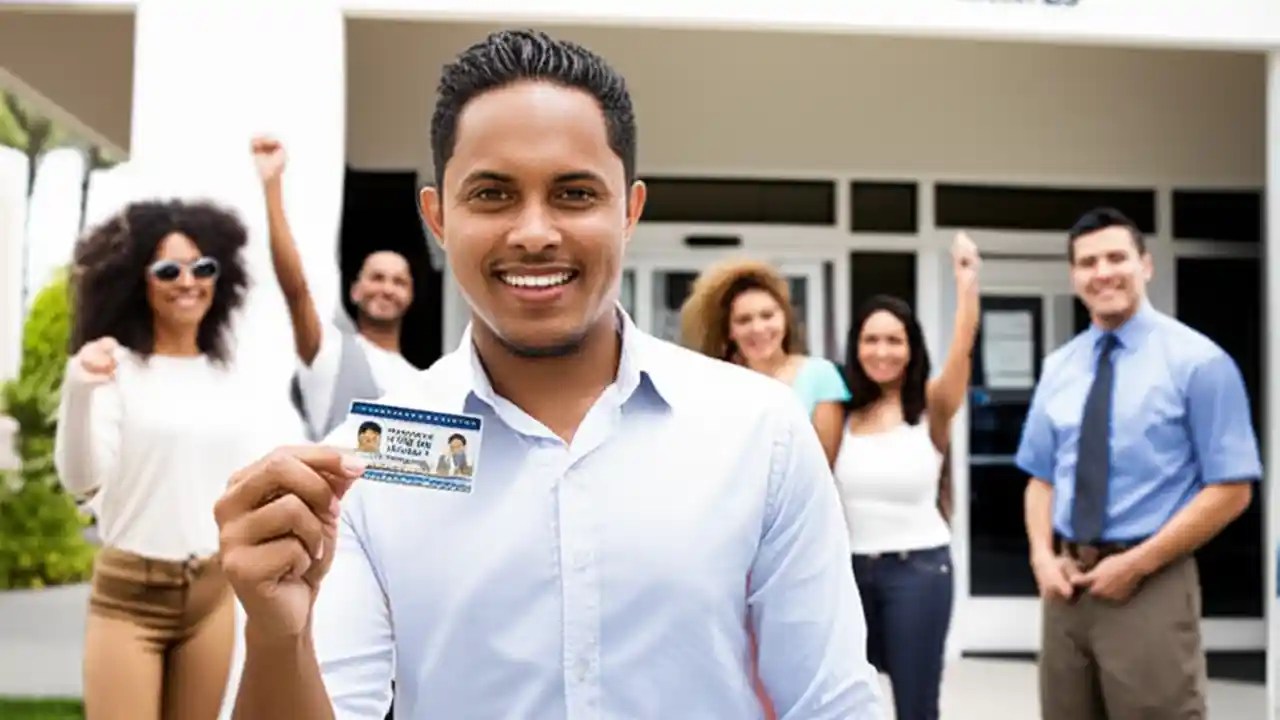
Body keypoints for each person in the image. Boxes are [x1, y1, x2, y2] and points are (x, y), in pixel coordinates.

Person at [213, 28, 885, 719]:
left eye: (573, 193)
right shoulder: (370, 458)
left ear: (629, 211)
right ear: (438, 217)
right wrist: (274, 636)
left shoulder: (760, 431)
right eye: (493, 194)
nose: (534, 231)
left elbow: (831, 701)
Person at [53, 200, 304, 720]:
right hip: (130, 595)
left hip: (209, 594)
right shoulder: (113, 368)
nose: (188, 281)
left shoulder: (228, 377)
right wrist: (79, 389)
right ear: (138, 281)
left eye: (202, 267)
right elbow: (80, 480)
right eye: (168, 269)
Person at [1017, 207, 1260, 719]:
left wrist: (1137, 564)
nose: (1102, 272)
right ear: (1074, 276)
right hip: (1067, 589)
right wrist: (1042, 556)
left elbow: (1232, 489)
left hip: (1151, 584)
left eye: (1115, 257)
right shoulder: (1059, 367)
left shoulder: (1198, 363)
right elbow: (1041, 477)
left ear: (1145, 265)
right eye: (1088, 262)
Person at [832, 231, 980, 720]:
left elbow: (962, 350)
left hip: (917, 571)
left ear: (912, 347)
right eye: (871, 339)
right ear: (856, 346)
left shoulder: (931, 406)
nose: (882, 350)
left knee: (917, 706)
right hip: (848, 573)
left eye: (894, 340)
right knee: (848, 701)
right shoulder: (843, 412)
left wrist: (967, 283)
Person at [251, 136, 421, 440]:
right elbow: (296, 291)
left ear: (410, 296)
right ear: (355, 290)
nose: (386, 288)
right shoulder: (329, 354)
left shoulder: (425, 384)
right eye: (377, 277)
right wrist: (272, 186)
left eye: (398, 281)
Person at [680, 258, 850, 465]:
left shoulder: (820, 375)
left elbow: (825, 468)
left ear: (785, 319)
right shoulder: (719, 381)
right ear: (730, 331)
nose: (758, 329)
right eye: (744, 320)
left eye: (767, 316)